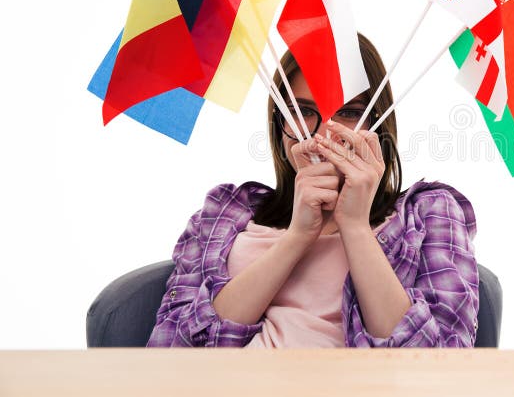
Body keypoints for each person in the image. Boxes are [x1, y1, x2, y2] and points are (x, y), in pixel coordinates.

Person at [146, 34, 479, 348]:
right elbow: (172, 350)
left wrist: (356, 228)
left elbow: (441, 363)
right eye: (303, 110)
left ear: (381, 122)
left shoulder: (430, 211)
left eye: (348, 112)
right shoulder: (224, 210)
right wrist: (297, 236)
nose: (324, 133)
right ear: (279, 126)